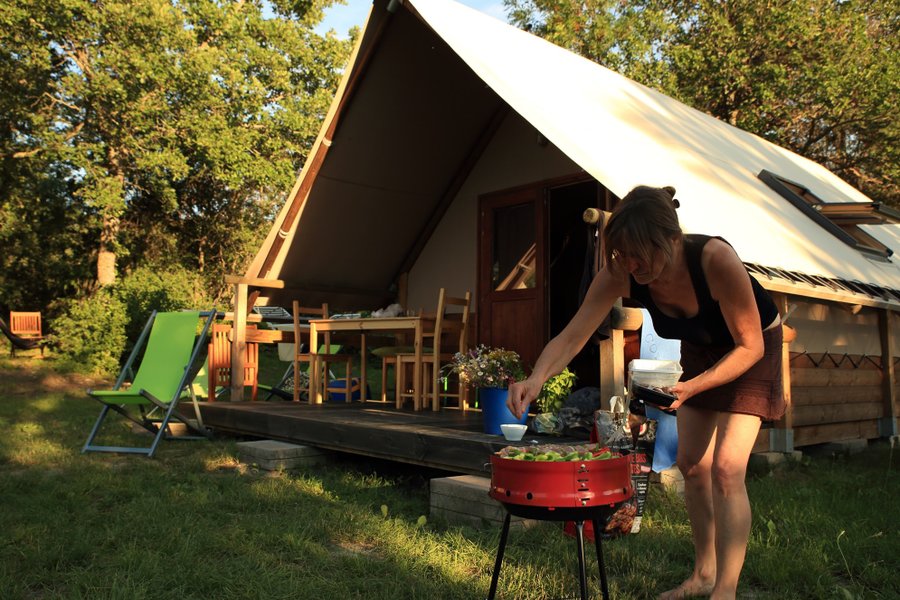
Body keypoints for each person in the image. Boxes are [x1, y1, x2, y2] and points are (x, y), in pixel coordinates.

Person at [507, 185, 784, 600]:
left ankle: (724, 591)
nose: (631, 265)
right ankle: (703, 575)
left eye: (639, 254)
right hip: (703, 350)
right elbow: (573, 335)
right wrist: (536, 378)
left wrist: (692, 387)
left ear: (671, 239)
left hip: (753, 348)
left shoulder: (714, 259)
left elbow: (750, 347)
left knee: (726, 469)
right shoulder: (622, 269)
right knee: (692, 466)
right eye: (622, 254)